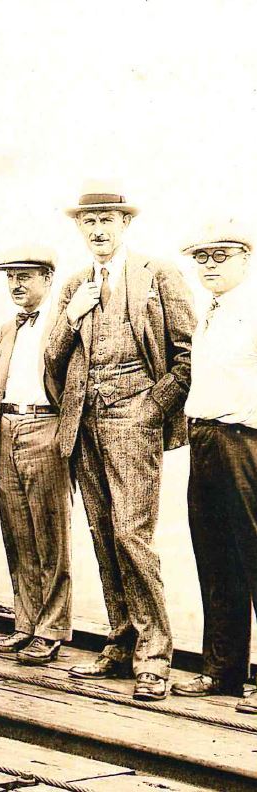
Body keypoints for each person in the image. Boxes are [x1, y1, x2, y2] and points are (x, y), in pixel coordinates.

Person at [45, 181, 195, 700]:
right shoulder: (74, 285)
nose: (98, 229)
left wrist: (151, 410)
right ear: (80, 228)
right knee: (104, 533)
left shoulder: (159, 275)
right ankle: (120, 639)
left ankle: (155, 656)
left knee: (133, 536)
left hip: (134, 421)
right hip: (84, 422)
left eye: (107, 220)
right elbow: (52, 361)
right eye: (89, 222)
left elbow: (184, 358)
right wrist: (71, 316)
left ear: (125, 224)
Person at [171, 223, 257, 713]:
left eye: (220, 256)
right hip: (204, 439)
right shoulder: (211, 314)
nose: (209, 266)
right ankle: (223, 673)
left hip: (245, 441)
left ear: (245, 259)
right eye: (201, 257)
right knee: (215, 556)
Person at [0, 246, 71, 665]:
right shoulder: (8, 328)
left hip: (46, 428)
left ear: (48, 279)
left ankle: (52, 630)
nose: (17, 285)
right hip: (8, 429)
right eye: (11, 277)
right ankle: (25, 624)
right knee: (17, 531)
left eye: (26, 276)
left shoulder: (62, 324)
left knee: (50, 535)